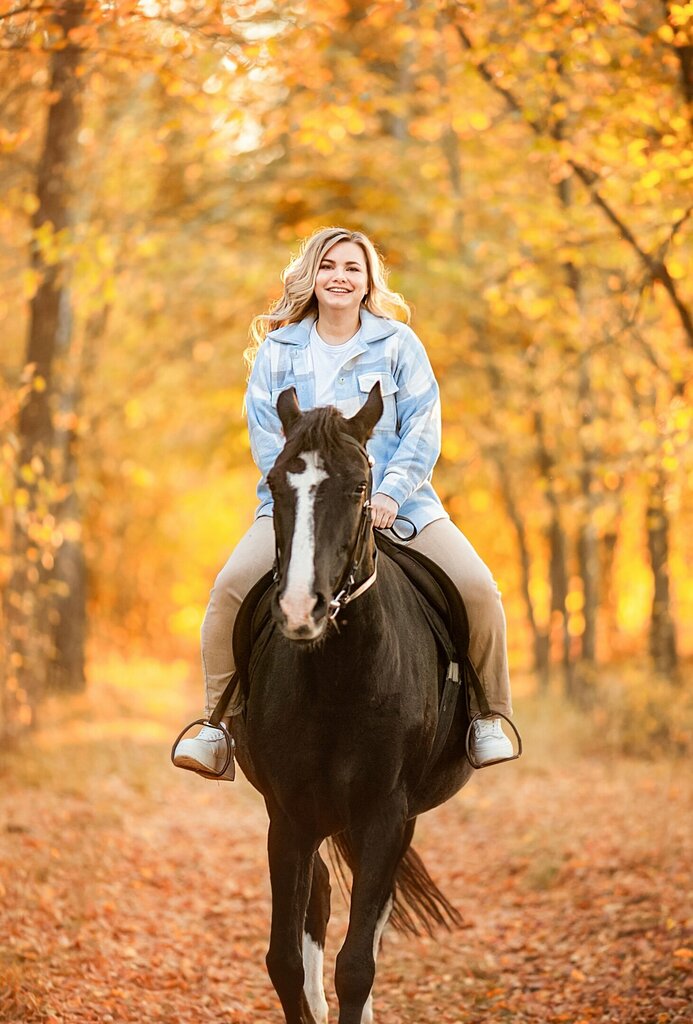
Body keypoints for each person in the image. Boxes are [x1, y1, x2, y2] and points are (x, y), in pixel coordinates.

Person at [173, 227, 513, 780]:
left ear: (367, 282)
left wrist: (389, 493)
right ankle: (218, 726)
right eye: (329, 265)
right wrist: (298, 489)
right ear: (312, 275)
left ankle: (487, 716)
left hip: (399, 506)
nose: (340, 276)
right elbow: (266, 436)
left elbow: (423, 429)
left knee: (478, 590)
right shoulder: (278, 351)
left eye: (352, 268)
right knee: (229, 589)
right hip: (302, 506)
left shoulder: (400, 344)